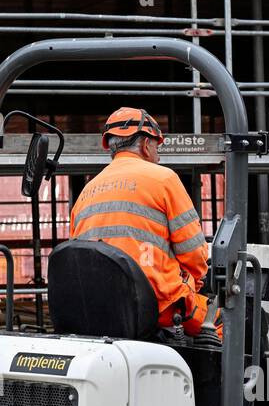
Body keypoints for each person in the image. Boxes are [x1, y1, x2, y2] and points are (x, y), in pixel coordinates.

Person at [69, 107, 219, 339]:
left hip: (101, 310)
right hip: (158, 305)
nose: (158, 153)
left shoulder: (86, 193)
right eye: (157, 145)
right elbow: (194, 255)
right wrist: (196, 285)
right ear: (145, 145)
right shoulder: (163, 178)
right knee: (233, 323)